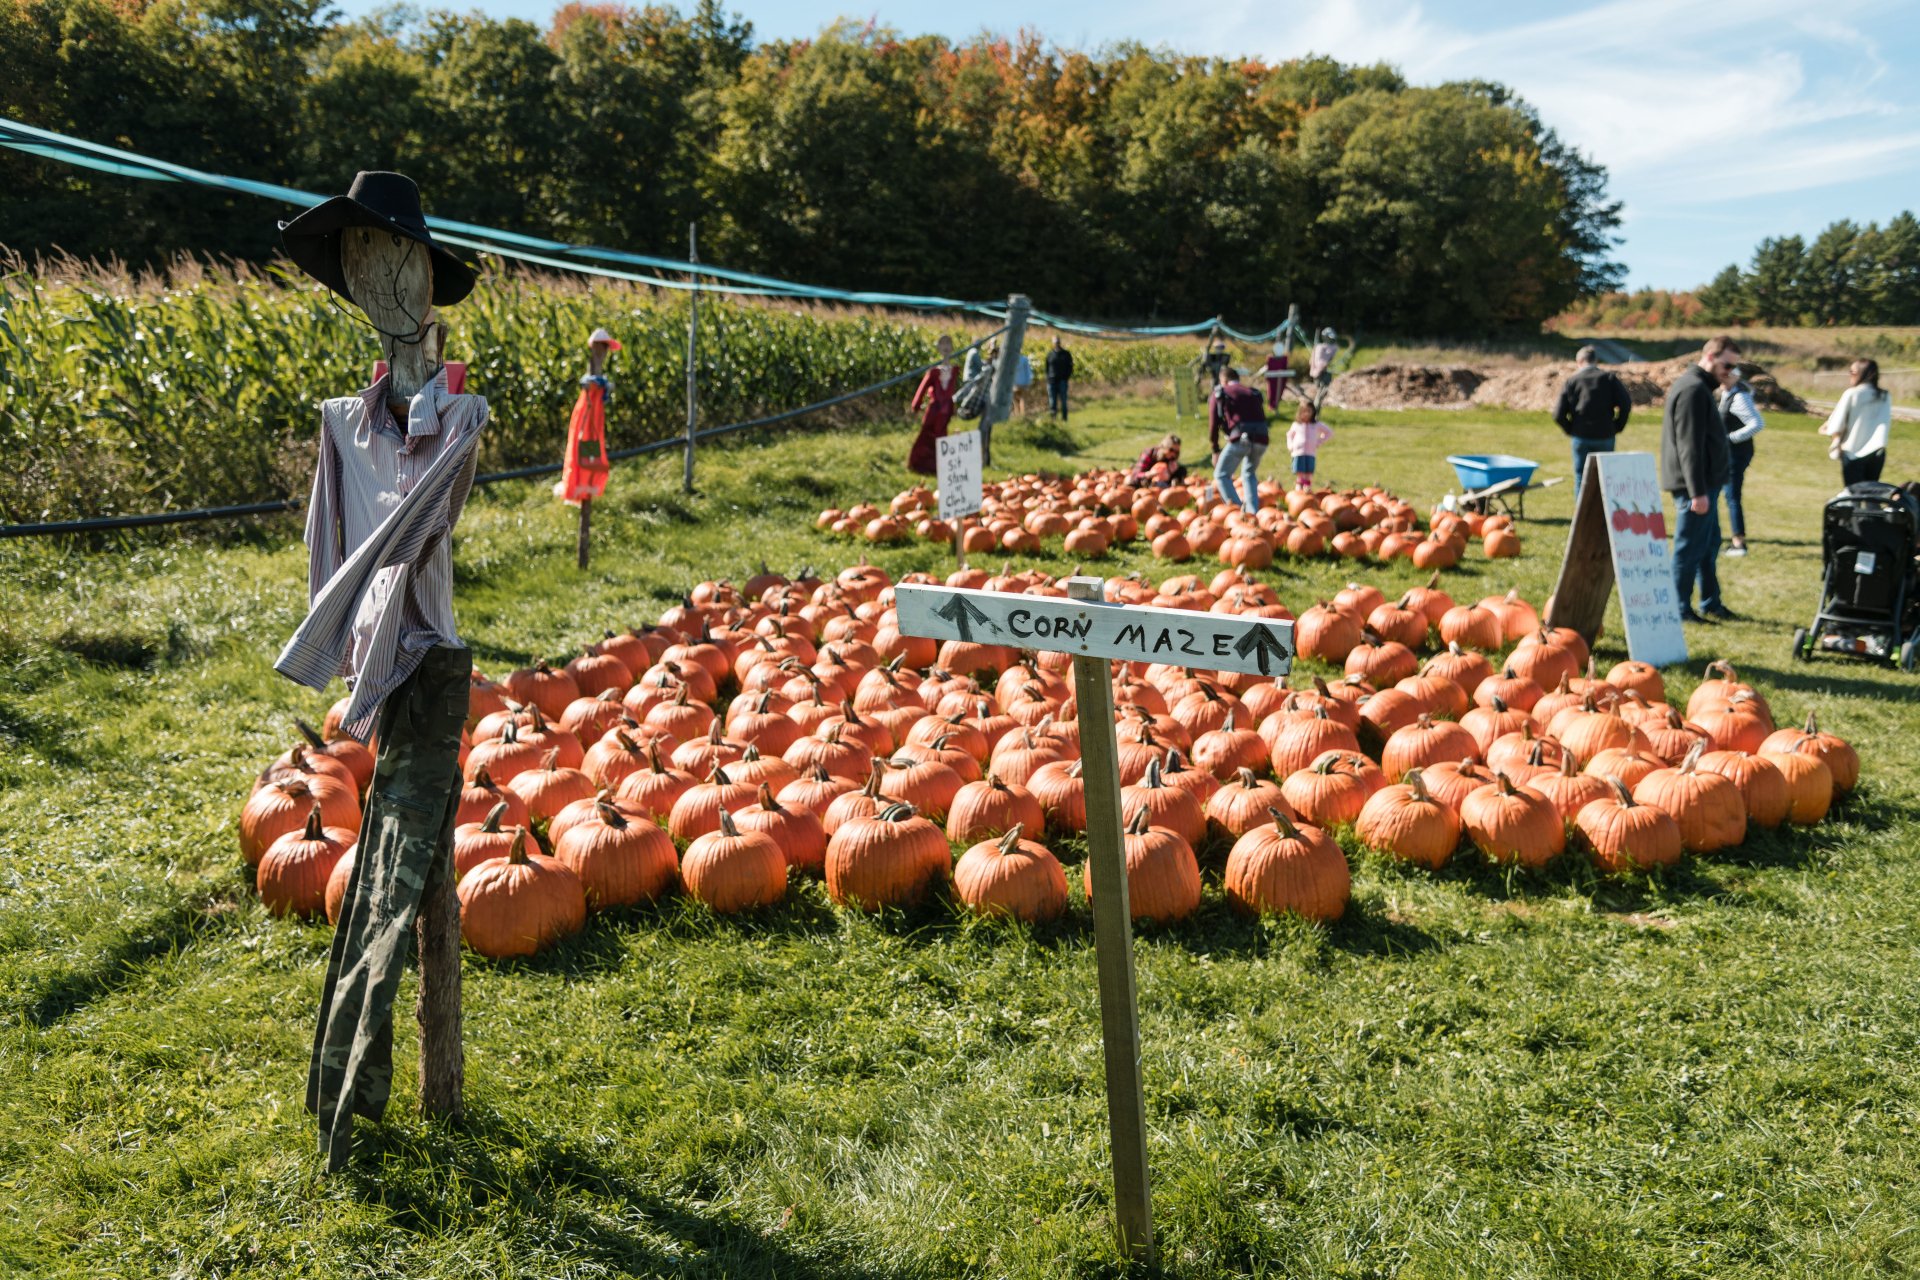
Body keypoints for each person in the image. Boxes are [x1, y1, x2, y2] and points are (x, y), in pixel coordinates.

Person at [1660, 335, 1739, 624]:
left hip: (1705, 485)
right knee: (1689, 547)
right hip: (1695, 487)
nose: (1730, 372)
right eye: (1727, 365)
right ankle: (1678, 607)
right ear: (1710, 357)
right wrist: (1697, 492)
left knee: (1708, 544)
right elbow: (1688, 445)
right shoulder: (1692, 389)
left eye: (1733, 368)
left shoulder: (1702, 388)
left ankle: (1711, 602)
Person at [1552, 344, 1632, 495]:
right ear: (1595, 361)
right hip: (1605, 434)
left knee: (1581, 477)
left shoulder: (1572, 381)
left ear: (1579, 361)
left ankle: (1582, 517)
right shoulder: (1609, 379)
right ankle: (1604, 514)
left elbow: (1558, 413)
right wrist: (1617, 426)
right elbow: (1625, 404)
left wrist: (1570, 429)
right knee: (1606, 477)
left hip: (1581, 435)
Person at [1820, 358, 1894, 486]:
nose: (1850, 375)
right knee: (1871, 496)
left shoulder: (1852, 394)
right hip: (1877, 453)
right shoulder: (1884, 396)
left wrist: (1830, 432)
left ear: (1861, 374)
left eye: (1852, 372)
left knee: (1854, 495)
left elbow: (1836, 424)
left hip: (1852, 452)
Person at [1718, 359, 1764, 556]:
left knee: (1732, 496)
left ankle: (1739, 542)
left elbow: (1757, 424)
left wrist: (1730, 439)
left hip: (1735, 455)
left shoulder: (1739, 397)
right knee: (1728, 495)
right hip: (1728, 453)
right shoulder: (1727, 394)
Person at [1209, 368, 1269, 512]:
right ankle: (1252, 512)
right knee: (1249, 474)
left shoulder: (1221, 393)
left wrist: (1215, 449)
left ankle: (1238, 511)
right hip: (1262, 438)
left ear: (1223, 380)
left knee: (1221, 474)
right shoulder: (1253, 393)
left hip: (1241, 438)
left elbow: (1213, 424)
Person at [908, 335, 957, 476]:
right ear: (939, 348)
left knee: (942, 438)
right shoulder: (934, 372)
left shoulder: (954, 371)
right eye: (943, 344)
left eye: (948, 344)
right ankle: (919, 464)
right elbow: (922, 389)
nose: (946, 347)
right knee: (927, 436)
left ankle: (938, 466)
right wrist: (916, 405)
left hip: (946, 410)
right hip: (934, 410)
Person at [1285, 400, 1332, 491]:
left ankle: (1307, 487)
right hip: (1298, 452)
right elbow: (1289, 435)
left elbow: (1329, 432)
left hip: (1311, 452)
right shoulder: (1296, 425)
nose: (1306, 414)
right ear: (1300, 412)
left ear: (1313, 412)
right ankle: (1299, 486)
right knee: (1300, 471)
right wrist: (1290, 446)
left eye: (1309, 411)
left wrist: (1319, 442)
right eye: (1304, 411)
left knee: (1309, 471)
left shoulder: (1316, 425)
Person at [1045, 336, 1074, 420]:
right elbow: (1046, 368)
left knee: (1063, 401)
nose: (1057, 344)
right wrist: (1048, 378)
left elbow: (1070, 367)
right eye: (1055, 342)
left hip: (1062, 381)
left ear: (1060, 342)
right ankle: (1053, 419)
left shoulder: (1066, 354)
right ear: (1053, 343)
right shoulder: (1050, 354)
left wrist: (1066, 377)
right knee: (1052, 402)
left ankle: (1064, 419)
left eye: (1058, 342)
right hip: (1051, 381)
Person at [1308, 327, 1339, 399]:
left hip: (1324, 372)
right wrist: (1322, 366)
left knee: (1324, 389)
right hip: (1319, 372)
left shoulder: (1332, 348)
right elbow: (1317, 361)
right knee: (1319, 389)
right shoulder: (1320, 347)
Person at [1261, 340, 1291, 410]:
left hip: (1281, 378)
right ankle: (1272, 406)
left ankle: (1275, 405)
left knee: (1279, 392)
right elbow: (1268, 367)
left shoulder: (1284, 358)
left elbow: (1285, 368)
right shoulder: (1270, 358)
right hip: (1272, 379)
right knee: (1271, 392)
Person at [1012, 346, 1034, 417]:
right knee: (1021, 399)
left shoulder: (1013, 360)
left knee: (1016, 400)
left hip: (1016, 383)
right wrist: (1028, 382)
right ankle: (1022, 415)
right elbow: (1028, 372)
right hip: (1022, 383)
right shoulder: (1024, 359)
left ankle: (1018, 415)